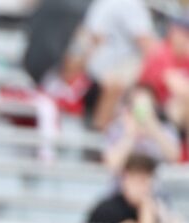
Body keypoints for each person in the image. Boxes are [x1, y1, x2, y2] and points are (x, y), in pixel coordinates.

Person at [78, 0, 157, 131]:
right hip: (105, 82)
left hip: (92, 76)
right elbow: (148, 45)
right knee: (143, 94)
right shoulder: (129, 4)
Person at [85, 151, 180, 223]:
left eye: (148, 181)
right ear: (125, 179)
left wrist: (163, 216)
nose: (145, 187)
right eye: (140, 180)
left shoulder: (154, 204)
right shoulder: (108, 209)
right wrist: (146, 211)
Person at [101, 84, 181, 172]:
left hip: (156, 181)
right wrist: (130, 135)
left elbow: (174, 157)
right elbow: (112, 165)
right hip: (125, 181)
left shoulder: (165, 128)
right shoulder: (117, 129)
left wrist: (153, 127)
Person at [138, 14, 189, 137]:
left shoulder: (184, 56)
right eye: (184, 33)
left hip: (170, 110)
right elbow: (179, 87)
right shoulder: (162, 51)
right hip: (147, 105)